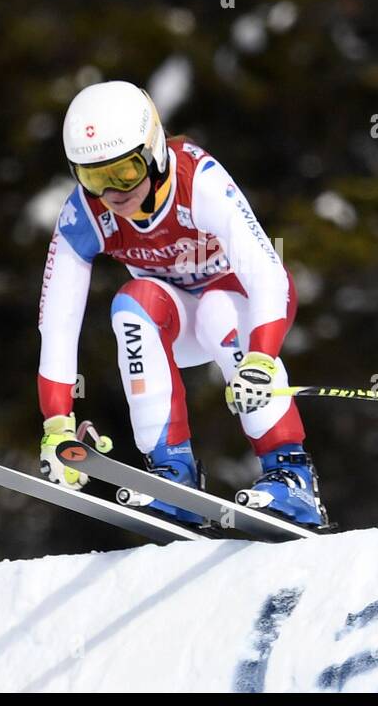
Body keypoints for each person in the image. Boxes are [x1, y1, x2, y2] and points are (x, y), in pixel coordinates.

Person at [35, 80, 328, 527]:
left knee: (216, 310)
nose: (114, 191)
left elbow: (267, 274)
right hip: (179, 320)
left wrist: (262, 357)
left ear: (151, 151)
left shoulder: (199, 183)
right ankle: (174, 475)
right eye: (95, 177)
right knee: (131, 304)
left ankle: (290, 474)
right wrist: (56, 421)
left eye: (126, 171)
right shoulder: (86, 214)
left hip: (249, 307)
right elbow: (58, 320)